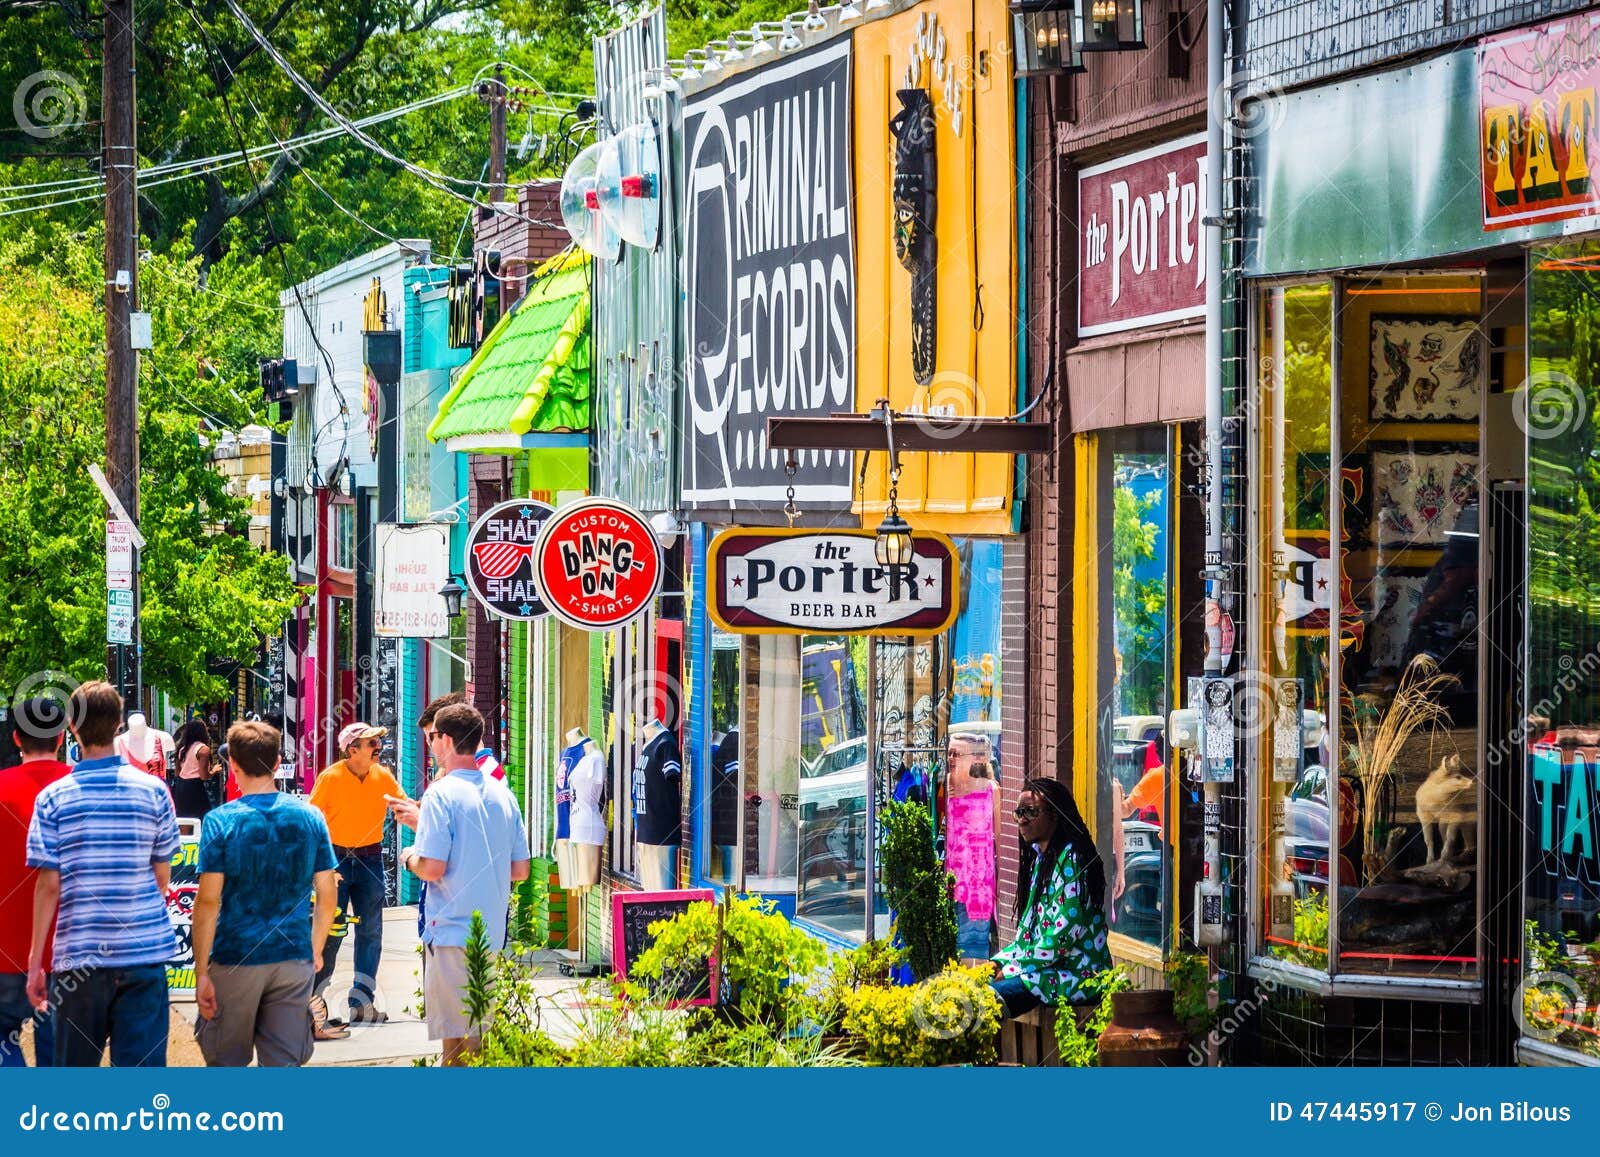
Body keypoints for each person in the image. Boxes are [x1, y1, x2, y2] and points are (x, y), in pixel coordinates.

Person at [26, 681, 180, 1066]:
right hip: (143, 955)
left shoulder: (53, 798)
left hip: (80, 960)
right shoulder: (155, 791)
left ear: (72, 728)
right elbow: (163, 875)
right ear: (118, 725)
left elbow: (48, 887)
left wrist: (34, 963)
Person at [190, 721, 337, 1066]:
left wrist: (201, 971)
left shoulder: (220, 821)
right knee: (285, 1063)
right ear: (277, 762)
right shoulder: (310, 816)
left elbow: (208, 902)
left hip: (236, 955)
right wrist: (315, 950)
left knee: (226, 1062)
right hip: (293, 955)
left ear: (233, 765)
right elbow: (327, 892)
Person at [403, 703, 529, 1066]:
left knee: (454, 1044)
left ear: (446, 740)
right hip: (490, 932)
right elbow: (520, 870)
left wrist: (409, 857)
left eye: (433, 737)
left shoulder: (439, 795)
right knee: (479, 1034)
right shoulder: (503, 795)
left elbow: (432, 867)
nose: (430, 744)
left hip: (450, 931)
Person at [308, 722, 406, 1024]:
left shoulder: (382, 776)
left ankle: (362, 1004)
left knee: (371, 932)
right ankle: (313, 1006)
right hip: (335, 858)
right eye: (371, 743)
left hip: (370, 858)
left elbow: (402, 806)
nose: (378, 746)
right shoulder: (330, 778)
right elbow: (311, 821)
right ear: (353, 750)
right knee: (330, 930)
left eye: (378, 741)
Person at [991, 777, 1111, 1020]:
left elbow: (1059, 940)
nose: (1022, 819)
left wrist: (1013, 968)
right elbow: (1027, 936)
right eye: (1019, 812)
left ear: (1054, 815)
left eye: (1031, 812)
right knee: (972, 990)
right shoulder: (1042, 861)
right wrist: (998, 963)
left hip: (1080, 976)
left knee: (985, 1003)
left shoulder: (1074, 862)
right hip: (1047, 973)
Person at [0, 696, 70, 1066]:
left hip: (4, 949)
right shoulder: (79, 789)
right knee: (58, 1061)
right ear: (61, 739)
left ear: (16, 739)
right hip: (67, 953)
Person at [943, 732, 999, 964]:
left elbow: (1000, 839)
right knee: (953, 952)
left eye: (957, 753)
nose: (951, 758)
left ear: (975, 758)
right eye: (950, 753)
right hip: (953, 884)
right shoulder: (947, 786)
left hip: (978, 886)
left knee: (974, 952)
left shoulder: (991, 791)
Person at [170, 720, 216, 820]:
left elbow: (177, 772)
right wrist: (214, 771)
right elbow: (204, 776)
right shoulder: (203, 749)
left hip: (181, 786)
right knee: (200, 818)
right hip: (195, 786)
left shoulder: (182, 749)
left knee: (184, 820)